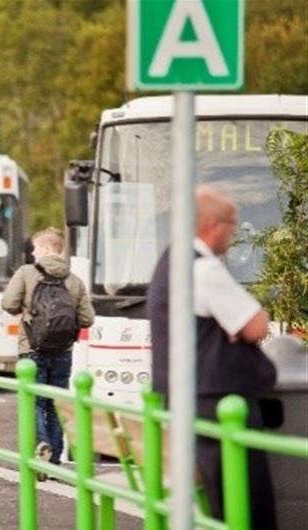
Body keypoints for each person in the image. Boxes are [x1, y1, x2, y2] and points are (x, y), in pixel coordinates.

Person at [147, 184, 277, 529]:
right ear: (212, 224)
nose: (234, 234)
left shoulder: (169, 262)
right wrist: (233, 327)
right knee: (248, 506)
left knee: (222, 507)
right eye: (233, 224)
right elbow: (257, 326)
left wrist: (230, 326)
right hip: (220, 404)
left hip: (188, 400)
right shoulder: (203, 269)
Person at [1, 227, 94, 479]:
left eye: (34, 248)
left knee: (33, 400)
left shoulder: (26, 273)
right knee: (56, 403)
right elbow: (87, 319)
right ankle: (53, 461)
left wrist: (29, 308)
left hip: (31, 349)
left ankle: (40, 444)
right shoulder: (74, 280)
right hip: (63, 351)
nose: (32, 252)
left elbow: (8, 304)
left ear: (44, 249)